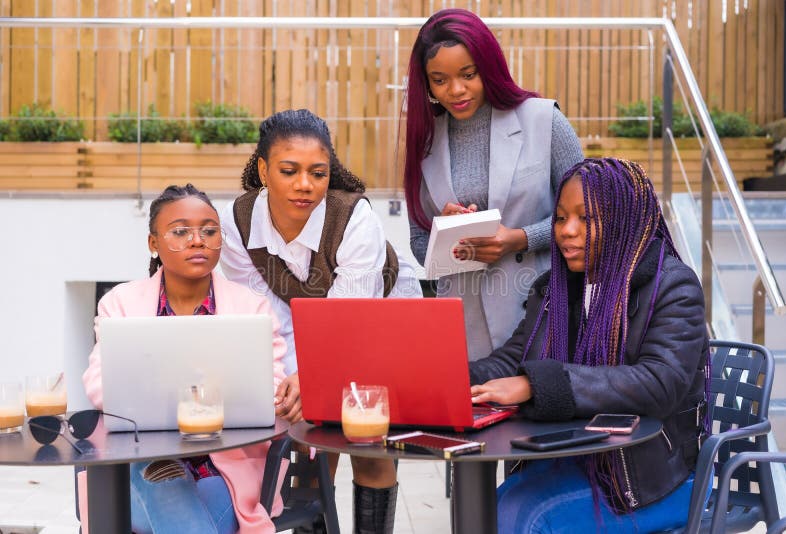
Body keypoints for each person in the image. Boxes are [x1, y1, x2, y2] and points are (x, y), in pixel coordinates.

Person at [469, 158, 710, 532]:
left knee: (519, 517)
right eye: (561, 218)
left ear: (625, 220)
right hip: (573, 462)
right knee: (479, 516)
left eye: (586, 219)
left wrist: (538, 385)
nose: (567, 231)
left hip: (653, 480)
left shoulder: (672, 288)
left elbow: (660, 382)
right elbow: (516, 356)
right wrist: (452, 378)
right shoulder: (557, 288)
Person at [219, 109, 422, 534]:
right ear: (263, 169)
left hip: (377, 321)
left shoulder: (354, 217)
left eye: (318, 172)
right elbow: (263, 315)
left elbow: (346, 316)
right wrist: (292, 379)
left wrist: (311, 377)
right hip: (304, 332)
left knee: (369, 446)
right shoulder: (237, 223)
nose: (304, 185)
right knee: (311, 445)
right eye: (289, 171)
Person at [80, 184, 288, 534]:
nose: (198, 240)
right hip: (139, 463)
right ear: (153, 243)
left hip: (225, 472)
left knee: (169, 502)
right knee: (162, 479)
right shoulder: (120, 303)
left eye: (209, 231)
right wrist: (198, 397)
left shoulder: (251, 307)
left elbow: (271, 389)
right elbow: (100, 386)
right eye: (180, 232)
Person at [403, 8, 585, 360]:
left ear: (489, 66)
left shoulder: (544, 121)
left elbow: (592, 216)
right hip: (462, 325)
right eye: (439, 80)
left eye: (468, 75)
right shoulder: (425, 142)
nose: (456, 90)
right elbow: (418, 241)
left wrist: (518, 239)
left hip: (540, 312)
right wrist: (447, 236)